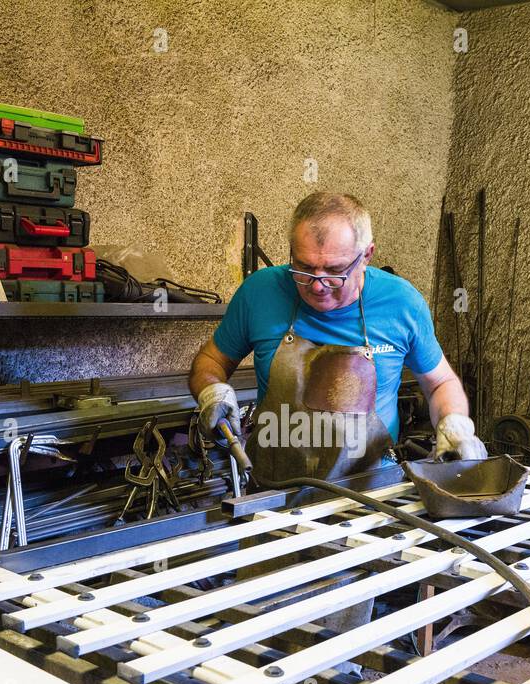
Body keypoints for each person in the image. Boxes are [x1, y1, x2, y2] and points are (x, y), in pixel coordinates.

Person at [189, 191, 486, 485]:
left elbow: (440, 384)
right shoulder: (259, 293)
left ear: (366, 255)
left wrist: (455, 424)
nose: (318, 286)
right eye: (304, 268)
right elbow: (211, 360)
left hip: (372, 495)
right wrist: (211, 390)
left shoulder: (402, 303)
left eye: (334, 271)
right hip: (274, 491)